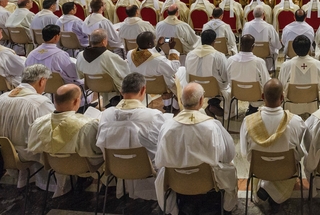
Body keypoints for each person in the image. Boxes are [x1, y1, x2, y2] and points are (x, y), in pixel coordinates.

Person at [154, 83, 238, 214]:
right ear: (201, 101)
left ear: (181, 101)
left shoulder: (167, 126)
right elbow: (229, 153)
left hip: (177, 181)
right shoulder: (212, 126)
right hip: (208, 182)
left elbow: (159, 159)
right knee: (230, 166)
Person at [96, 73, 170, 201]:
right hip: (147, 169)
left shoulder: (106, 114)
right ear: (143, 90)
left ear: (121, 91)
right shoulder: (153, 116)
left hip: (115, 167)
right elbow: (164, 144)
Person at [0, 65, 54, 188]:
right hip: (24, 153)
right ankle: (59, 185)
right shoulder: (39, 102)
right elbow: (54, 126)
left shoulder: (2, 97)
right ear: (42, 80)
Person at [240, 79, 306, 209]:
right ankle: (275, 195)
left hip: (260, 169)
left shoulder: (248, 122)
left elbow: (244, 153)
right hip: (286, 170)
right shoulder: (296, 122)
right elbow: (302, 151)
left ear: (262, 96)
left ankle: (265, 187)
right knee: (292, 163)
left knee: (265, 165)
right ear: (282, 97)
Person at [26, 84, 102, 170]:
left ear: (54, 101)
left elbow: (33, 149)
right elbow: (98, 150)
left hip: (54, 167)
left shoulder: (38, 123)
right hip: (83, 168)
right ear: (76, 101)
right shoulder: (88, 125)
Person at [127, 32, 182, 110]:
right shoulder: (158, 60)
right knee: (181, 72)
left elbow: (149, 54)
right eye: (154, 40)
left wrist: (158, 46)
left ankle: (168, 104)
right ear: (150, 44)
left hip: (140, 85)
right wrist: (172, 49)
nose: (155, 41)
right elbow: (173, 68)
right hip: (161, 86)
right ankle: (175, 105)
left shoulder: (130, 54)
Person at [182, 29, 229, 118]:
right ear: (214, 42)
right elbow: (225, 77)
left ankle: (213, 104)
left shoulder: (190, 54)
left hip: (195, 87)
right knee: (229, 87)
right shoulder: (219, 56)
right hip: (214, 88)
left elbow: (187, 75)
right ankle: (225, 112)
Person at [75, 30, 130, 102]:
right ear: (104, 41)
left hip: (92, 86)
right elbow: (125, 72)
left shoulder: (80, 55)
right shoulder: (109, 56)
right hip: (110, 87)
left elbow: (80, 75)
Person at [279, 35, 320, 115]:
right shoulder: (318, 64)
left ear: (294, 49)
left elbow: (281, 86)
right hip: (312, 102)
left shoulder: (286, 65)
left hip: (291, 103)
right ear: (309, 48)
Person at [227, 35, 271, 114]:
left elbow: (226, 78)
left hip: (236, 93)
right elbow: (266, 81)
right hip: (255, 94)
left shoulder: (230, 60)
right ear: (253, 46)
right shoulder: (259, 62)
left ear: (240, 45)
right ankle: (253, 108)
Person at [242, 6, 281, 72]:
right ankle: (268, 69)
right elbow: (276, 44)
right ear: (263, 15)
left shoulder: (247, 25)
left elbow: (243, 40)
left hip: (251, 52)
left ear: (253, 14)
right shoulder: (269, 27)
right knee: (275, 49)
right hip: (266, 54)